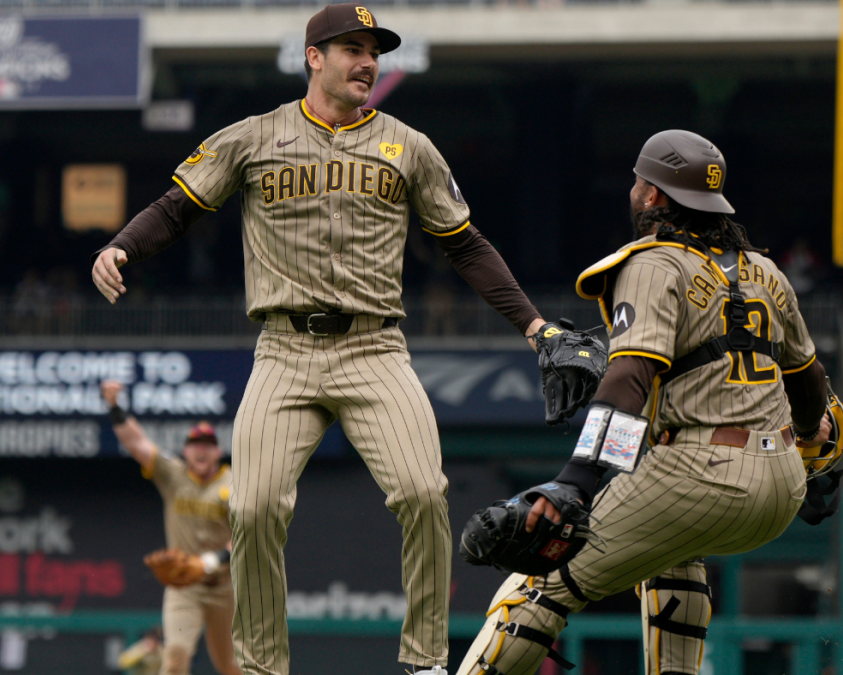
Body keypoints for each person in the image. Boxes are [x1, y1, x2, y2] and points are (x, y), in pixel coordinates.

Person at [90, 5, 549, 673]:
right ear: (314, 57)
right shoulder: (254, 136)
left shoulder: (409, 145)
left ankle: (424, 659)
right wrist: (123, 246)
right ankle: (263, 665)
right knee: (250, 507)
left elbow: (465, 243)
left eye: (374, 51)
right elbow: (177, 206)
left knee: (424, 492)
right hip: (284, 350)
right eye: (352, 49)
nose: (368, 61)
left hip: (375, 349)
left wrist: (533, 323)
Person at [455, 130, 833, 675]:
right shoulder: (765, 271)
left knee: (537, 585)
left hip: (703, 471)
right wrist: (805, 449)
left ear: (654, 195)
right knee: (669, 558)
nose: (634, 191)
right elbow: (808, 378)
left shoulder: (654, 263)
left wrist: (575, 483)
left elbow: (631, 377)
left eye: (639, 182)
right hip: (779, 486)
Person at [101, 380, 240, 675]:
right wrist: (114, 407)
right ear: (185, 450)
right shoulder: (173, 474)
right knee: (175, 656)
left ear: (218, 452)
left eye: (208, 445)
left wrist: (207, 561)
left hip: (224, 588)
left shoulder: (235, 485)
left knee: (231, 667)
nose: (201, 450)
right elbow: (136, 442)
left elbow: (245, 538)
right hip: (184, 586)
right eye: (195, 445)